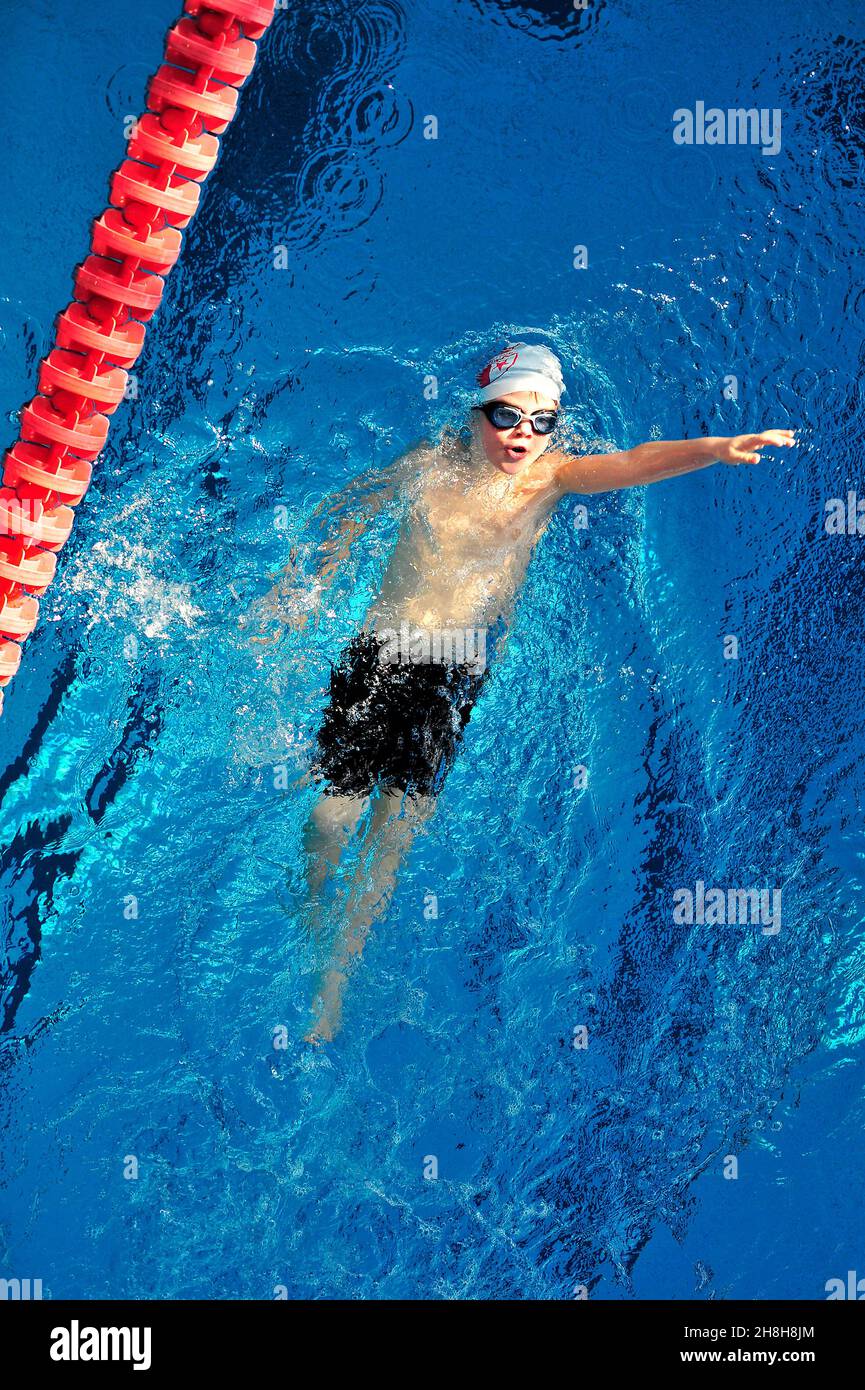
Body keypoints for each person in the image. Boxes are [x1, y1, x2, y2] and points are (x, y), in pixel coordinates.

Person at [252, 342, 796, 1042]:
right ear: (475, 413)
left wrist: (715, 448)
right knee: (332, 813)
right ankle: (309, 912)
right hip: (379, 655)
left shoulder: (550, 480)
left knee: (394, 830)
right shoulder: (426, 466)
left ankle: (334, 982)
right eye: (507, 414)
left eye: (541, 421)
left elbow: (634, 462)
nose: (522, 434)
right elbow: (349, 509)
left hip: (451, 671)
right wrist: (304, 586)